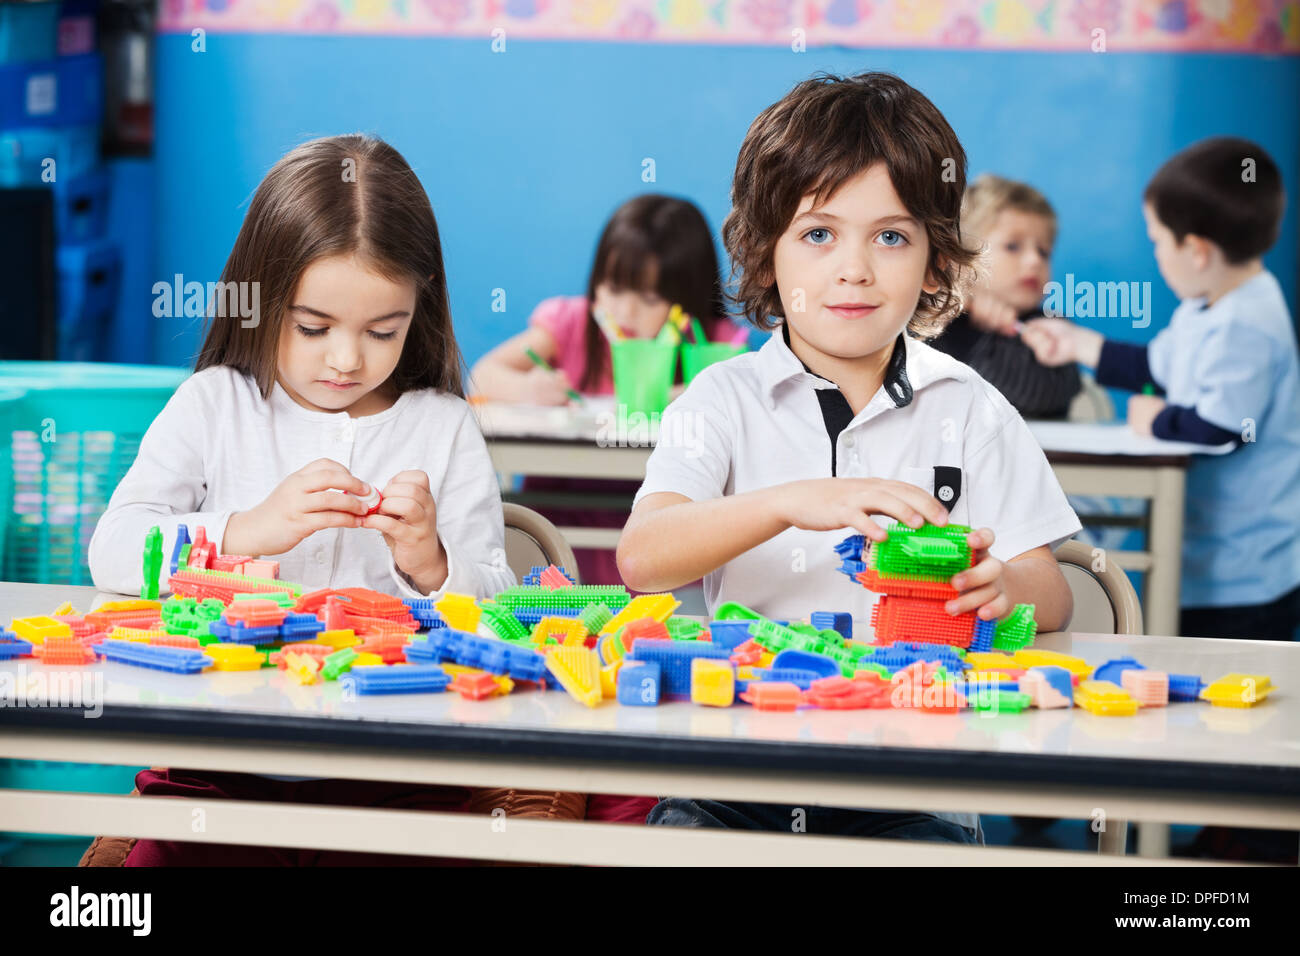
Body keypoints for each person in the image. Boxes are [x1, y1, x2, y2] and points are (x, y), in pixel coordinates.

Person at [88, 134, 584, 864]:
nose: (347, 359)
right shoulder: (216, 406)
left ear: (421, 311)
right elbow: (113, 550)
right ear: (258, 299)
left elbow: (499, 612)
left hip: (399, 779)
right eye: (313, 327)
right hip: (218, 774)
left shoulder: (440, 425)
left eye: (384, 331)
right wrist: (248, 529)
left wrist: (432, 561)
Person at [618, 72, 1081, 843]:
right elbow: (644, 559)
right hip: (735, 772)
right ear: (766, 256)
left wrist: (998, 586)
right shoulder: (721, 397)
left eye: (892, 237)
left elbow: (1052, 591)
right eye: (818, 234)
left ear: (936, 265)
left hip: (916, 779)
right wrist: (784, 502)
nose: (855, 269)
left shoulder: (970, 406)